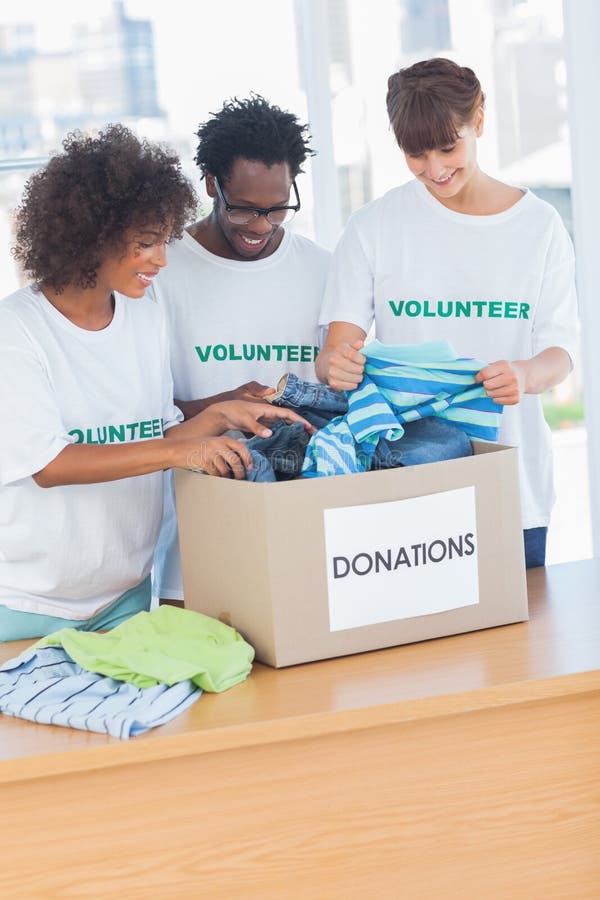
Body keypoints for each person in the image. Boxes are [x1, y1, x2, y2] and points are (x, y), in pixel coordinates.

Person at [0, 124, 312, 641]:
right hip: (26, 607)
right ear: (89, 235)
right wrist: (183, 453)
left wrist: (221, 413)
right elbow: (52, 466)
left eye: (164, 241)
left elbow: (153, 433)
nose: (162, 261)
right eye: (146, 244)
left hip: (125, 599)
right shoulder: (16, 332)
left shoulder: (144, 314)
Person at [315, 57, 578, 568]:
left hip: (512, 484)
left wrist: (525, 374)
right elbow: (333, 356)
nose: (435, 169)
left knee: (516, 649)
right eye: (416, 154)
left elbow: (562, 353)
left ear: (478, 120)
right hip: (406, 484)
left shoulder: (540, 226)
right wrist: (338, 366)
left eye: (448, 147)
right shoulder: (373, 226)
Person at [147, 94, 331, 603]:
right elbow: (143, 423)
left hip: (305, 533)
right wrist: (222, 407)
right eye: (245, 208)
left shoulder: (322, 269)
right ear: (211, 184)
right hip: (194, 546)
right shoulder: (159, 273)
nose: (261, 226)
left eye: (277, 209)